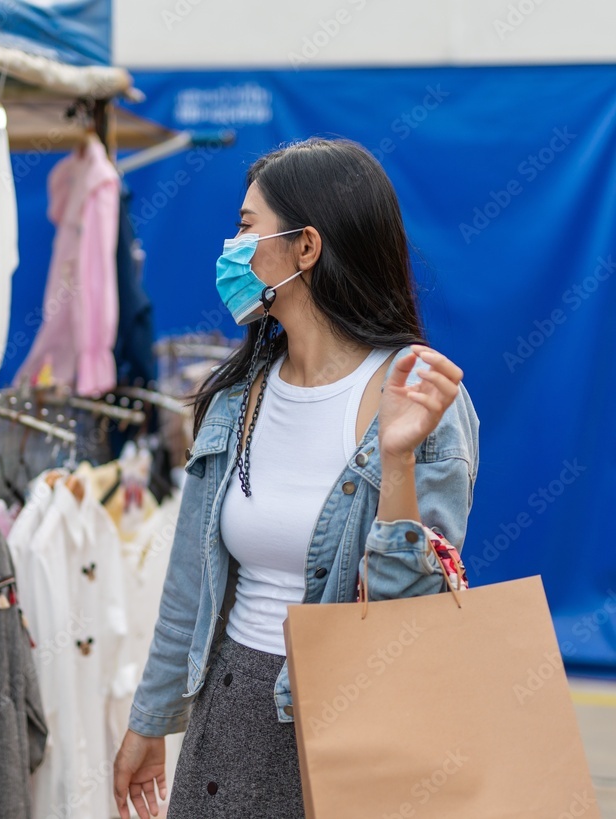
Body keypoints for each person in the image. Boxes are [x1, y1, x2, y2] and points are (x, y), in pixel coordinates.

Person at [112, 138, 479, 818]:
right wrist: (151, 718)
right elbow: (189, 581)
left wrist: (397, 460)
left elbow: (415, 617)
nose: (231, 248)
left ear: (305, 247)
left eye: (247, 227)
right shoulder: (235, 397)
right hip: (224, 720)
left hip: (344, 732)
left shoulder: (418, 395)